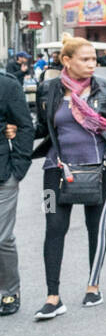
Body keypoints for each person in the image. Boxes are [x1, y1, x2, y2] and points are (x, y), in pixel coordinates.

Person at [32, 35, 106, 319]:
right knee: (53, 227)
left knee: (96, 227)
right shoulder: (48, 89)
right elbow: (40, 128)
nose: (92, 64)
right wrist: (13, 132)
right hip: (55, 171)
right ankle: (53, 296)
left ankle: (93, 286)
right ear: (66, 61)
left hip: (101, 170)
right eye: (85, 59)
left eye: (94, 59)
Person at [0, 68, 34, 316]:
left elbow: (24, 126)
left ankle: (9, 291)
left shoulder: (7, 85)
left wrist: (18, 168)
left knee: (1, 238)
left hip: (3, 174)